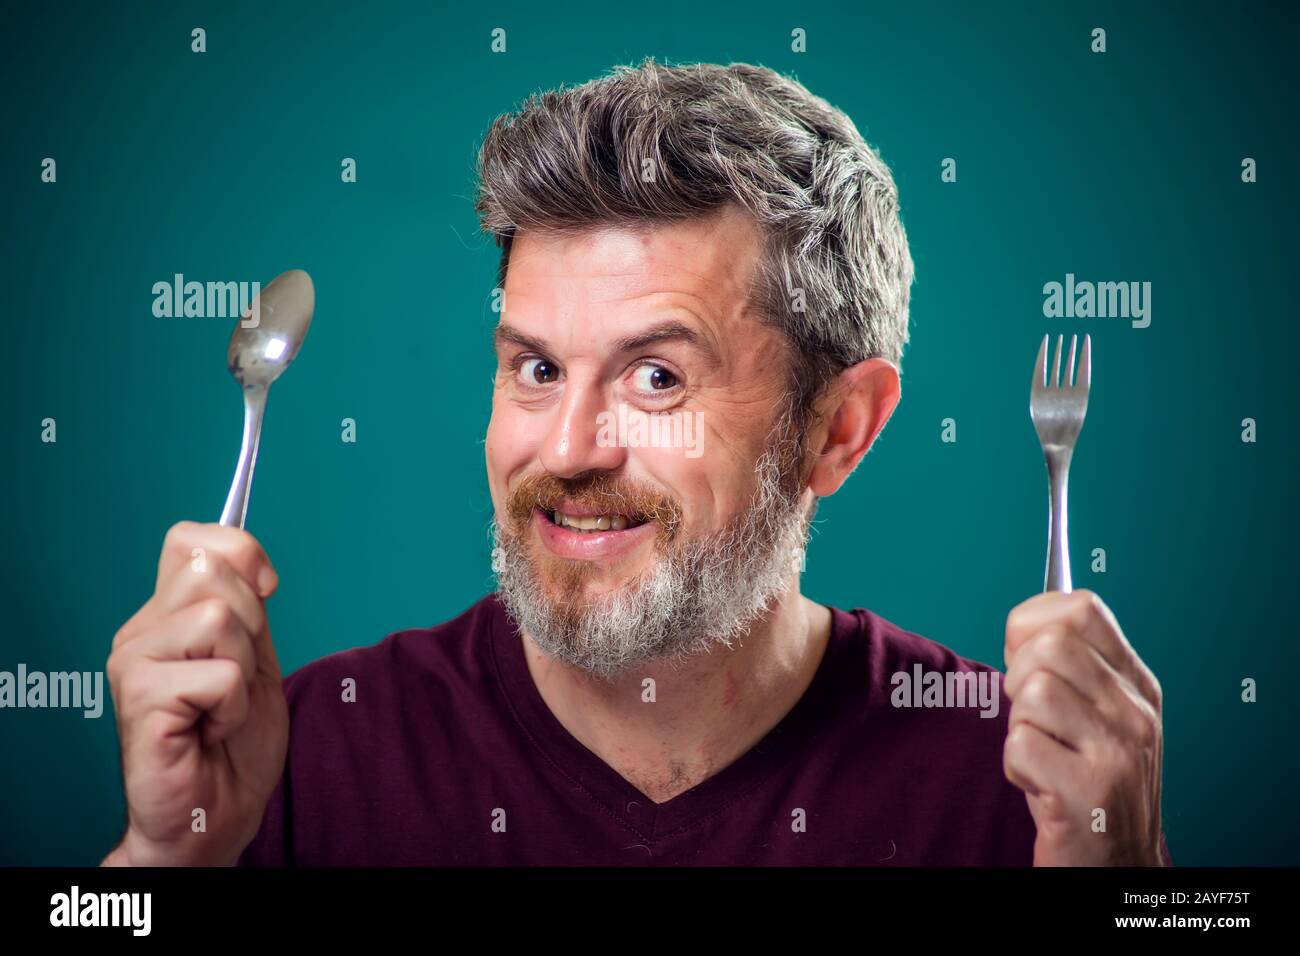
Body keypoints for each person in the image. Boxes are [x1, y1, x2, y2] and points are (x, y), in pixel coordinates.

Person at [101, 58, 1168, 866]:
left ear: (838, 428)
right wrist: (159, 860)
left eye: (656, 377)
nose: (565, 449)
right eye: (534, 368)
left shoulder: (1017, 776)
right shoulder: (300, 749)